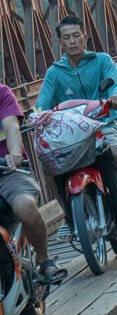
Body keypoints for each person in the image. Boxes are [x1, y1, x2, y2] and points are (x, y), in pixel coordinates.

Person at [36, 15, 117, 219]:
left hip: (102, 123)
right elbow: (42, 101)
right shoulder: (54, 73)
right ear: (60, 43)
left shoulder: (101, 60)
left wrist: (116, 95)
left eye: (76, 35)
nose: (72, 41)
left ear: (85, 37)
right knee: (48, 167)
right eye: (67, 37)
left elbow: (115, 82)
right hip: (70, 134)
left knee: (115, 152)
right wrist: (39, 114)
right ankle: (67, 215)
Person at [0, 84, 66, 285]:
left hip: (7, 171)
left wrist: (15, 154)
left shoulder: (2, 93)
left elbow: (11, 126)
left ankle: (44, 261)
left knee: (25, 206)